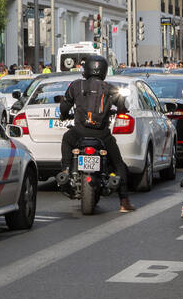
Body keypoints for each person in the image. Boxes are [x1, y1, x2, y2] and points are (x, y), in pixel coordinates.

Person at [57, 54, 135, 213]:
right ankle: (124, 201)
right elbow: (122, 108)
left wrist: (64, 115)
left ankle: (66, 169)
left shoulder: (76, 86)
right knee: (119, 163)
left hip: (79, 132)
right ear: (104, 70)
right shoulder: (110, 88)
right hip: (102, 135)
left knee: (66, 139)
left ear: (86, 69)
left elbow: (64, 107)